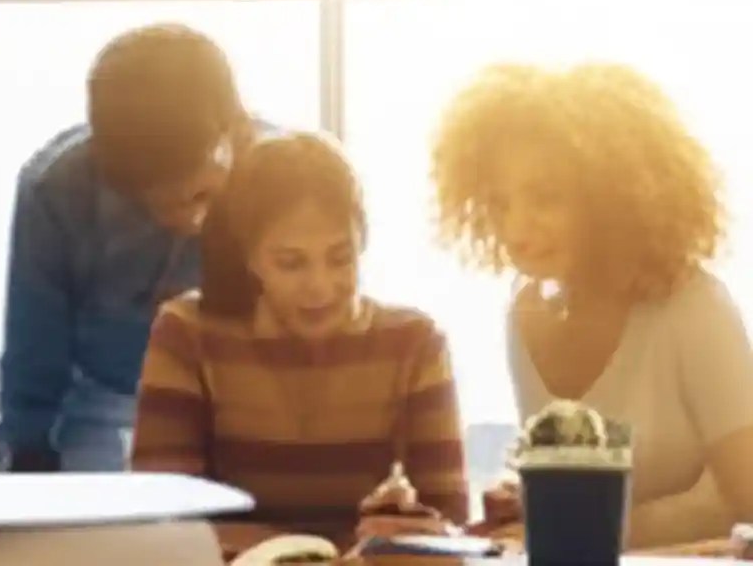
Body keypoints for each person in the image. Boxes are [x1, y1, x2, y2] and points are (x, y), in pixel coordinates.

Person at [431, 62, 753, 547]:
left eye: (545, 198)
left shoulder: (693, 306)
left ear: (609, 196)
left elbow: (748, 497)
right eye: (500, 204)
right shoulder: (525, 313)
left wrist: (590, 533)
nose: (516, 229)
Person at [132, 133, 470, 558]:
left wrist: (411, 527)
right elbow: (165, 520)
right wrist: (307, 550)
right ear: (250, 256)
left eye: (340, 258)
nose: (321, 287)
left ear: (362, 242)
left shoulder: (414, 344)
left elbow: (452, 527)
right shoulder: (188, 335)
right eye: (291, 263)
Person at [0, 23, 254, 473]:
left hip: (242, 403)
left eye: (201, 196)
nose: (191, 222)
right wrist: (29, 462)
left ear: (237, 130)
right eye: (163, 206)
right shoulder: (55, 189)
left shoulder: (280, 173)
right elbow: (34, 360)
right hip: (101, 403)